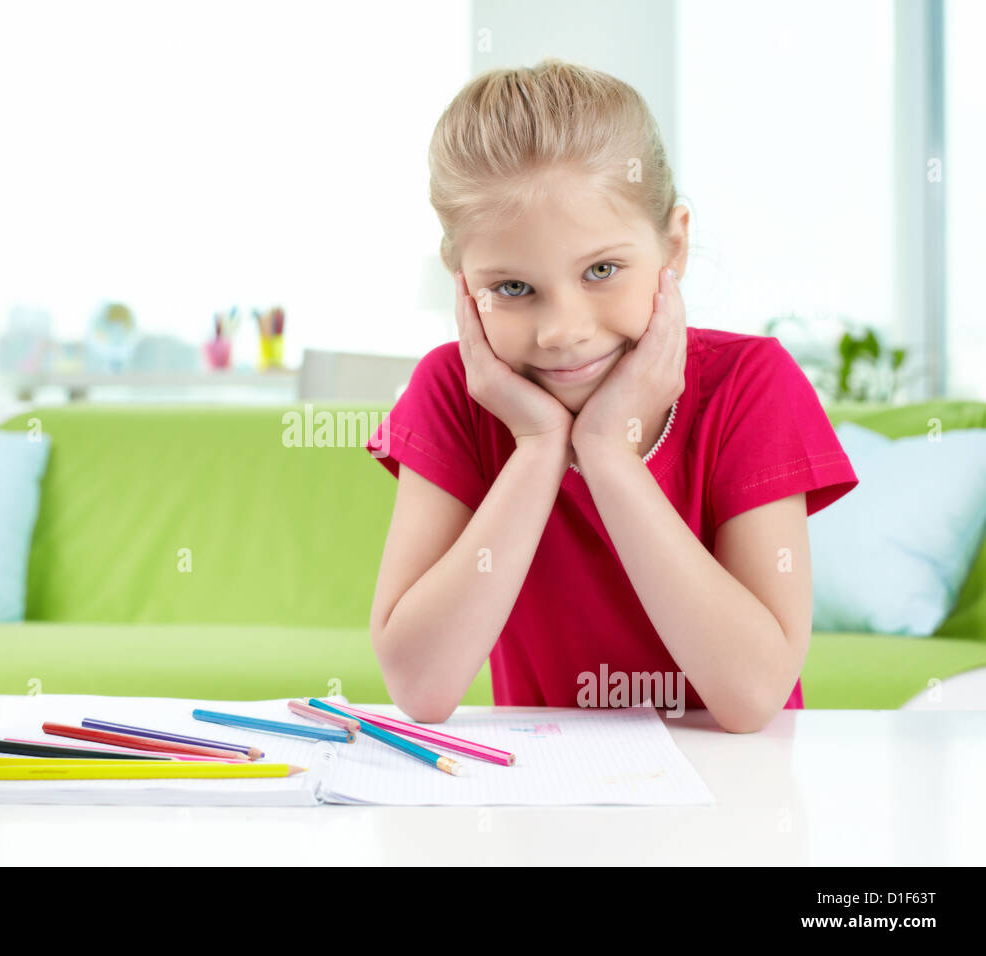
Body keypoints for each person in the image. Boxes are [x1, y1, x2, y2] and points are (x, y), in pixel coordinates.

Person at [365, 59, 858, 733]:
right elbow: (421, 687)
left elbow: (751, 697)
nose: (563, 332)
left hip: (736, 805)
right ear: (462, 284)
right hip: (546, 805)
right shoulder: (453, 392)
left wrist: (609, 455)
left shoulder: (752, 385)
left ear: (673, 245)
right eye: (512, 287)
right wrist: (538, 447)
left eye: (602, 270)